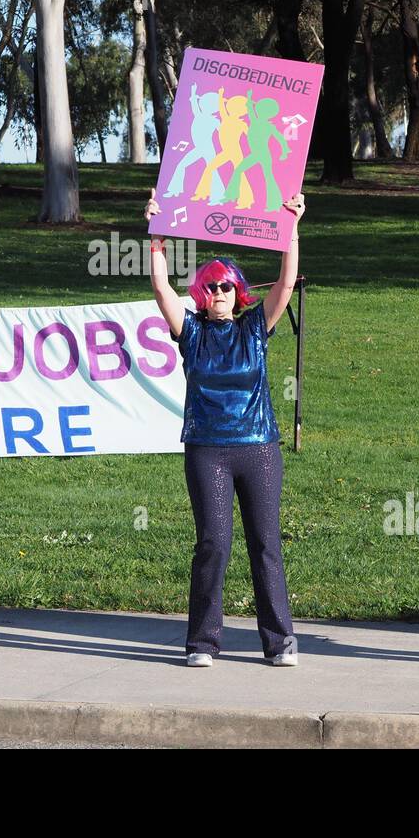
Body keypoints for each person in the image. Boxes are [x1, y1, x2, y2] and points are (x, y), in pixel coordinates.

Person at [144, 187, 303, 667]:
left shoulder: (255, 328)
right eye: (209, 287)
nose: (217, 294)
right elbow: (160, 290)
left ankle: (279, 642)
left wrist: (291, 226)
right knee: (214, 542)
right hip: (207, 450)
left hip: (258, 448)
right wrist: (155, 237)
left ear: (238, 291)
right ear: (201, 293)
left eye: (225, 286)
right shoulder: (190, 331)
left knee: (266, 544)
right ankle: (202, 643)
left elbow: (286, 285)